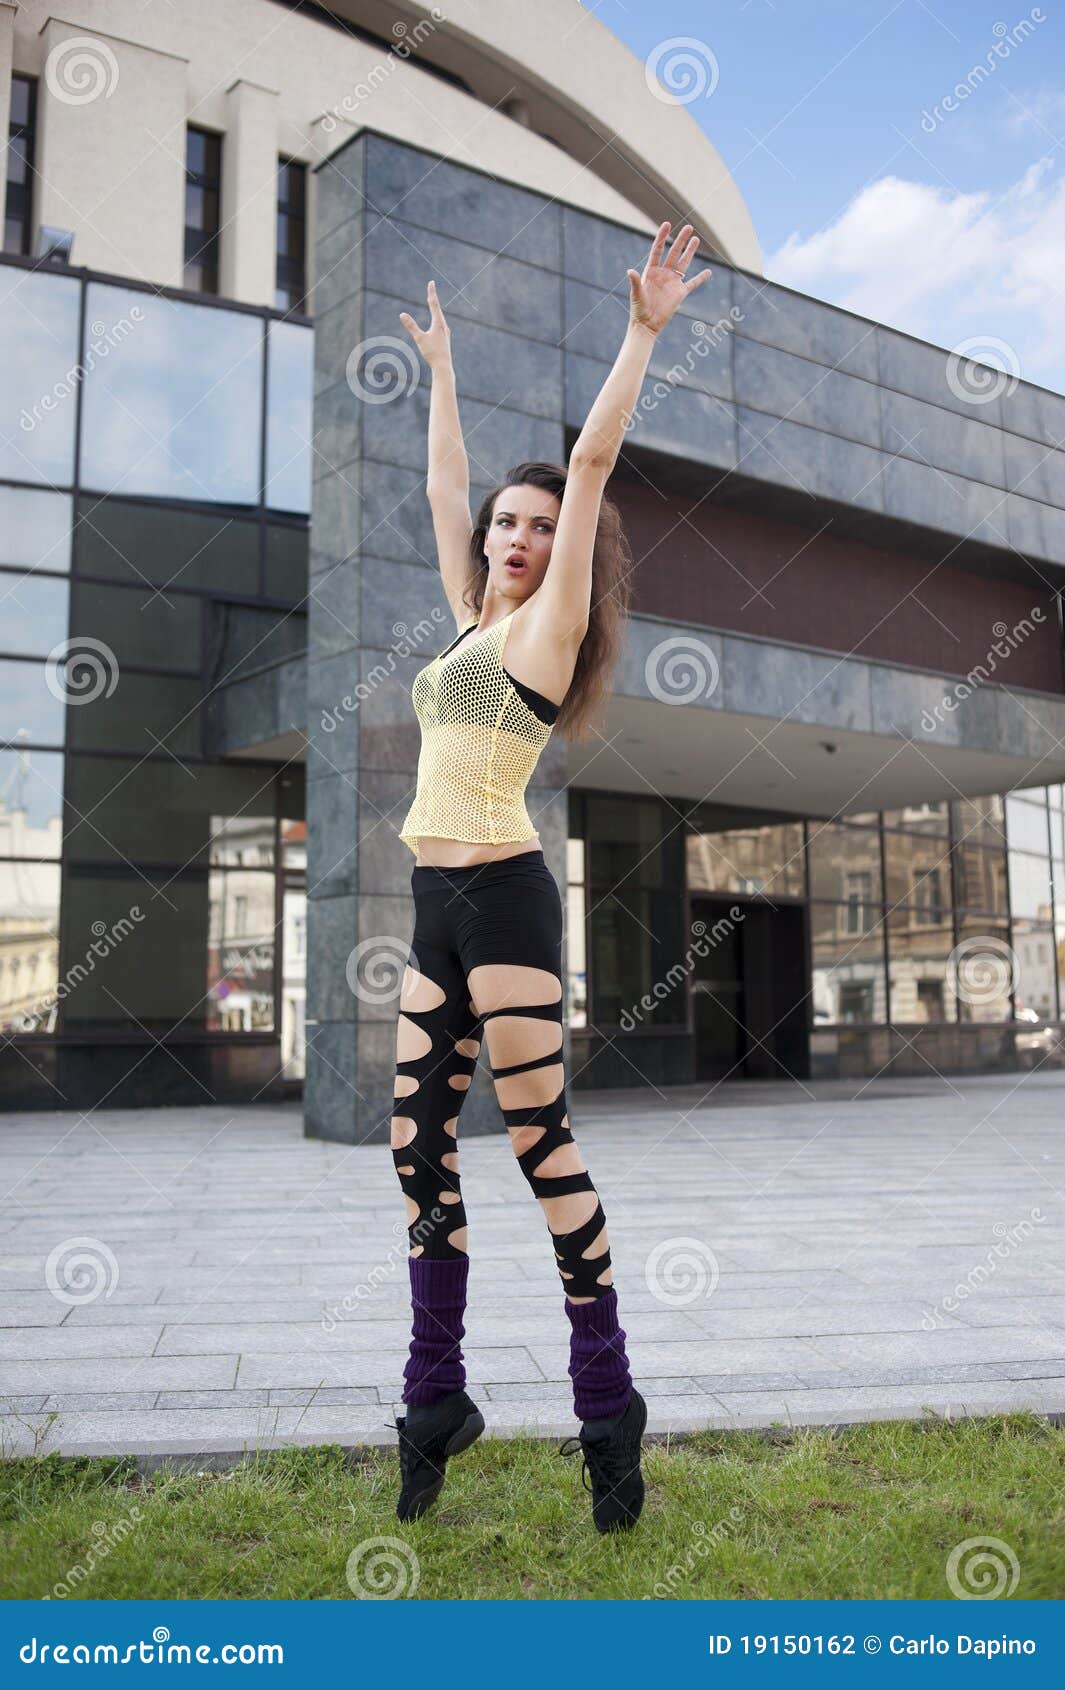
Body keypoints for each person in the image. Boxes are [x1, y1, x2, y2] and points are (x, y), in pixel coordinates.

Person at [387, 223, 711, 1533]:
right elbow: (438, 488)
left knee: (538, 1145)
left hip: (507, 896)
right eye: (505, 523)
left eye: (533, 525)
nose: (517, 534)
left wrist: (639, 332)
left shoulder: (548, 619)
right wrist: (444, 375)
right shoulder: (468, 609)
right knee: (416, 1153)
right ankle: (434, 1396)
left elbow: (586, 461)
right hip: (430, 908)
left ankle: (606, 1406)